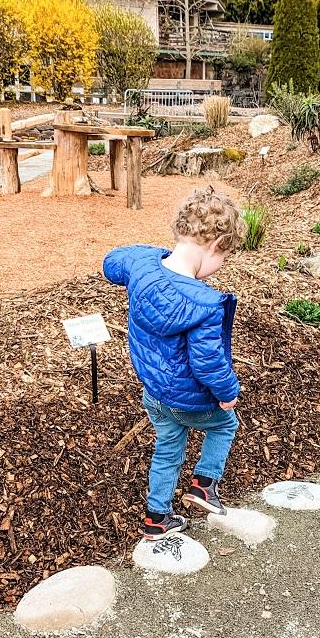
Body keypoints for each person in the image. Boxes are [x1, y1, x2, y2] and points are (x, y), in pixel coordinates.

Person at [103, 186, 246, 540]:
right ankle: (203, 486)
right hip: (187, 398)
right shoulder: (205, 304)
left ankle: (157, 518)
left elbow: (112, 262)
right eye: (223, 258)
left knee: (168, 449)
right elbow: (208, 362)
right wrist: (229, 392)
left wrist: (156, 256)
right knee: (225, 425)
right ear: (216, 246)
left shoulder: (142, 265)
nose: (219, 267)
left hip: (154, 394)